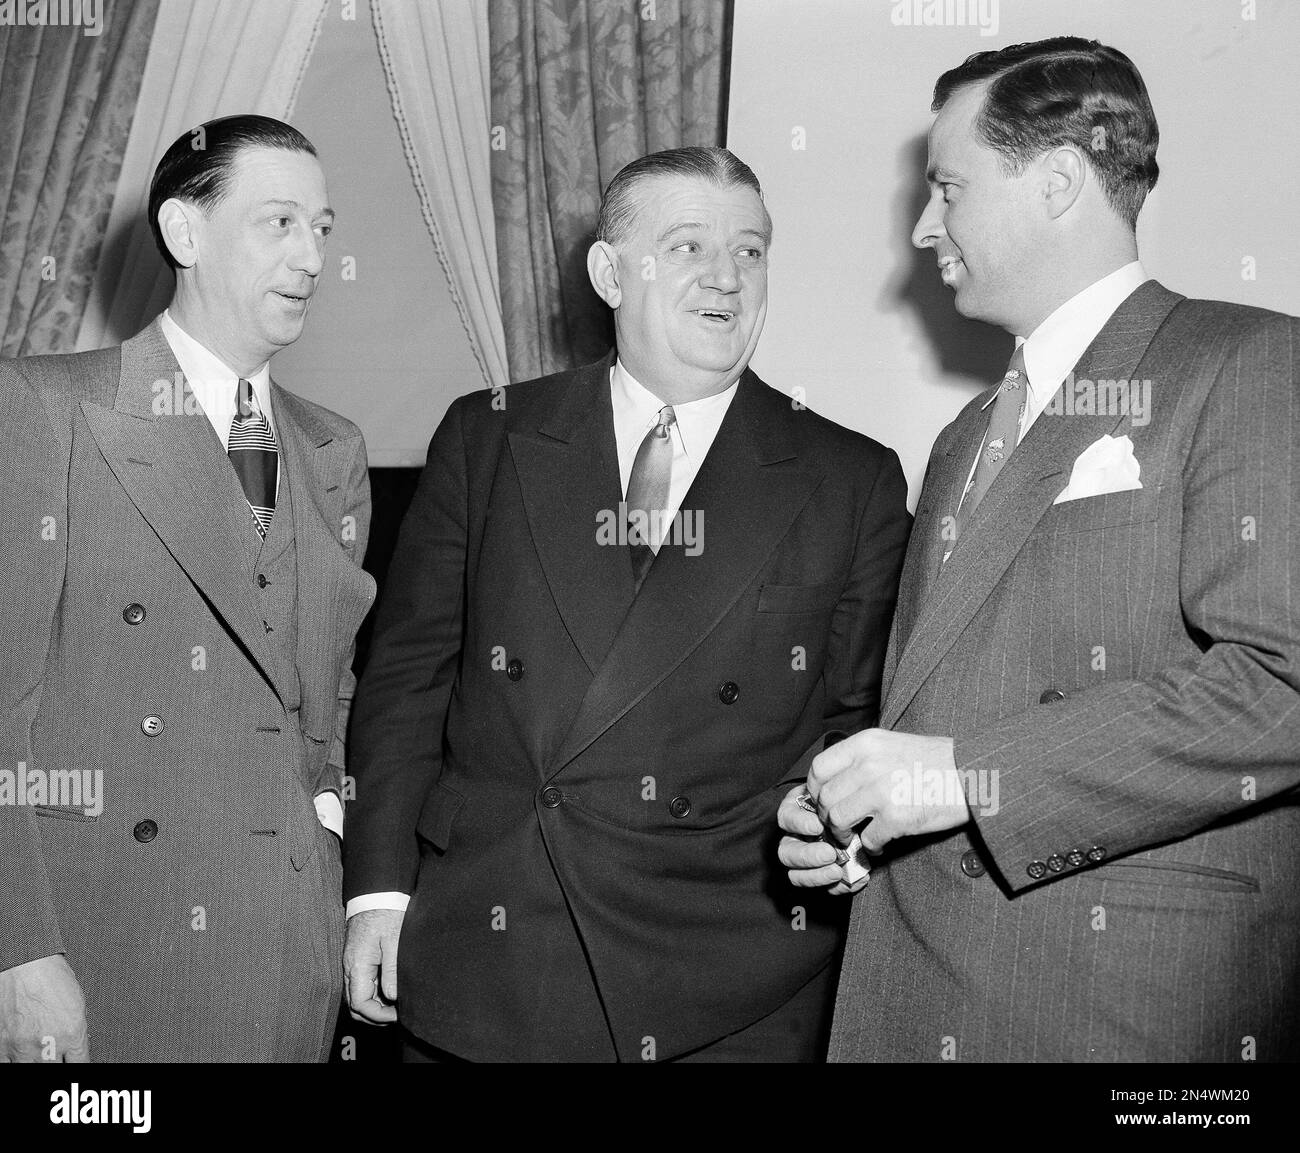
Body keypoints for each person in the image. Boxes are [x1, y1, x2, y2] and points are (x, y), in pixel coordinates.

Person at [780, 36, 1300, 1062]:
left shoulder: (1251, 362)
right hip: (915, 993)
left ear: (1058, 181)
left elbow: (1281, 683)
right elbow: (941, 719)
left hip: (1119, 1013)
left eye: (948, 187)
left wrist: (966, 777)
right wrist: (863, 821)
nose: (925, 227)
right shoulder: (964, 435)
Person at [342, 146, 910, 1062]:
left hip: (727, 981)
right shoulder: (487, 434)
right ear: (611, 273)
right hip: (490, 955)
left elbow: (855, 720)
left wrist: (846, 843)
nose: (728, 276)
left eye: (752, 250)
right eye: (688, 246)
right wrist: (377, 892)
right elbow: (407, 682)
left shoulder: (852, 477)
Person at [0, 115, 375, 1061]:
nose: (313, 257)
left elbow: (326, 693)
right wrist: (17, 952)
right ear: (184, 233)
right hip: (105, 938)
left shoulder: (334, 449)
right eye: (279, 222)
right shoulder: (47, 406)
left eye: (322, 228)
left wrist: (324, 826)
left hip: (289, 946)